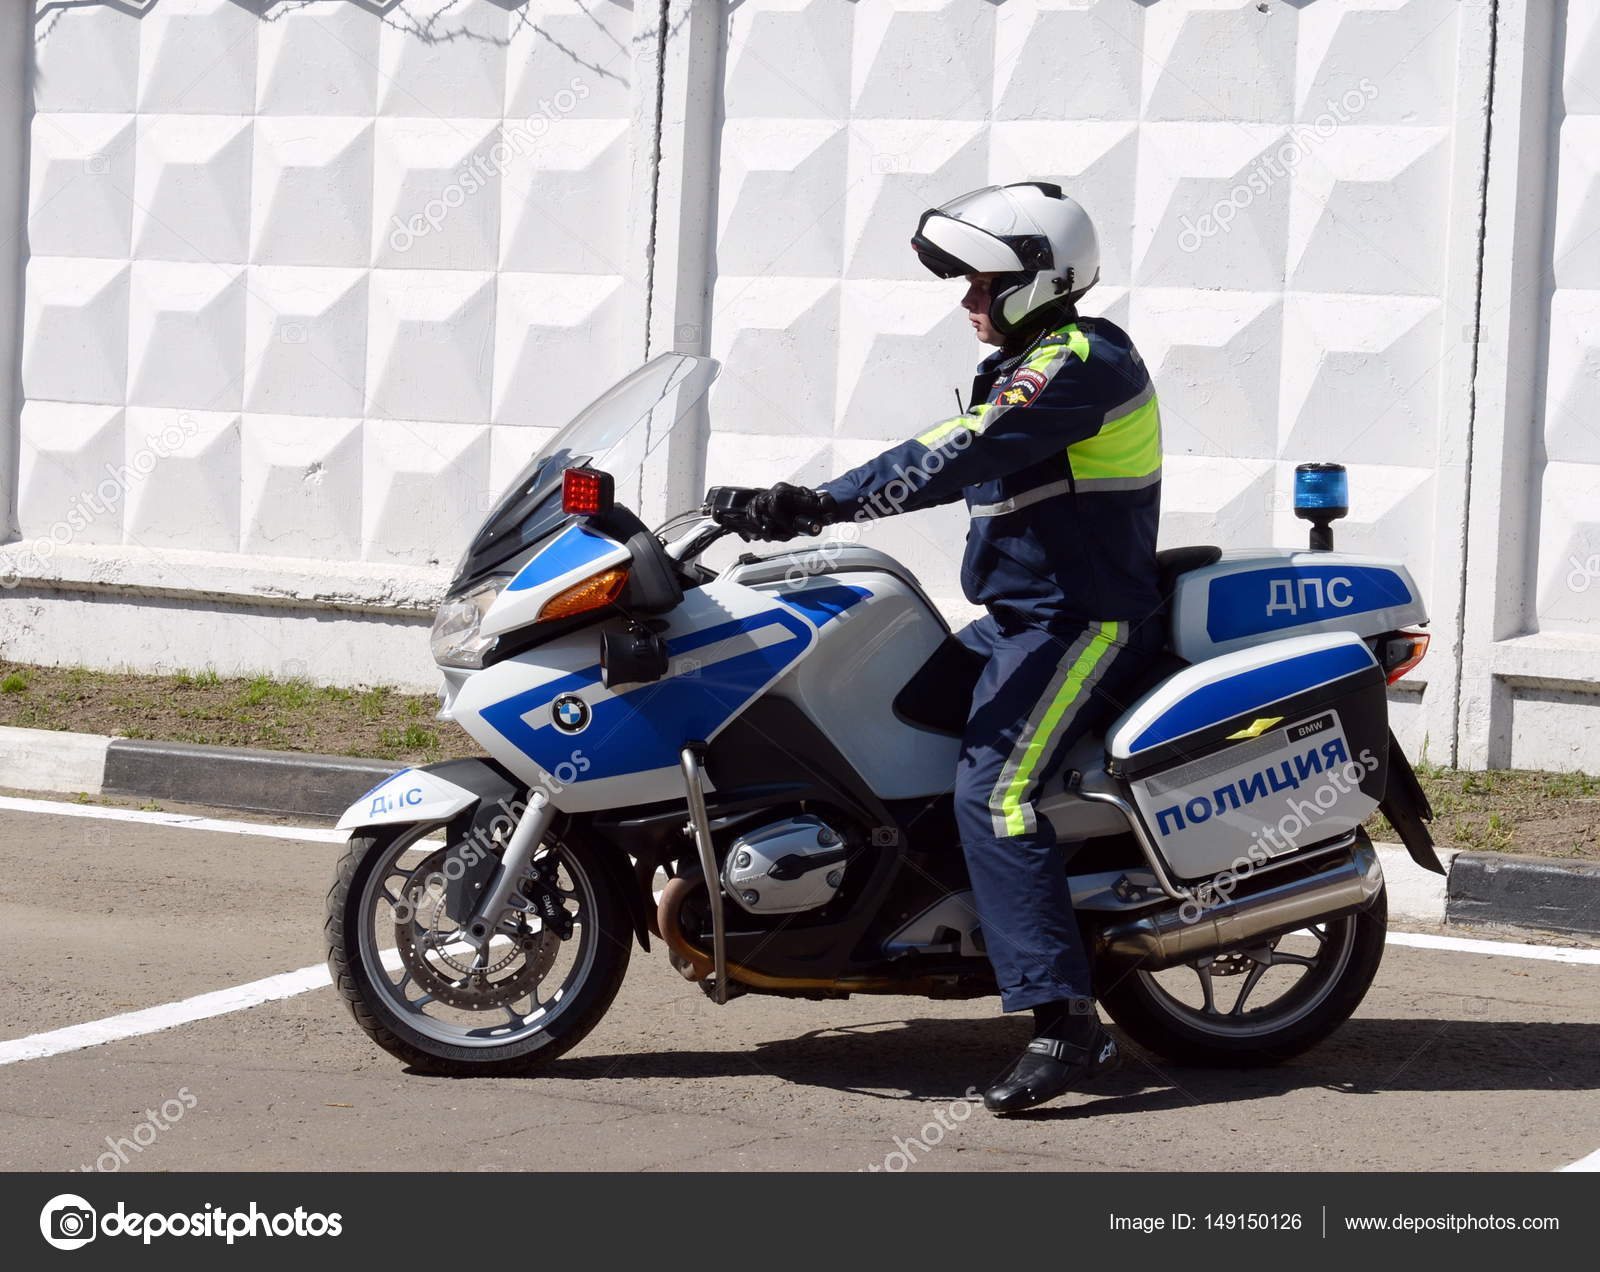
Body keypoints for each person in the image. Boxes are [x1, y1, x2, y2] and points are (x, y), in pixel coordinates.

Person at [744, 182, 1165, 1113]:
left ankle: (1064, 1022)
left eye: (983, 280)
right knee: (898, 721)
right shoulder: (1034, 354)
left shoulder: (1080, 362)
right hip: (1015, 618)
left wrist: (821, 499)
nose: (968, 298)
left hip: (1079, 621)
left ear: (1038, 280)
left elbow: (961, 449)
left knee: (997, 791)